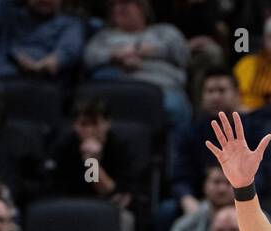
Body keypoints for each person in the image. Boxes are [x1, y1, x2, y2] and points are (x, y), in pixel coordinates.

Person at [83, 0, 193, 142]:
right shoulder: (103, 37)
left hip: (162, 88)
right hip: (118, 87)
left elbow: (182, 54)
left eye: (125, 4)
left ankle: (176, 161)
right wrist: (114, 56)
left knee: (176, 109)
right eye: (114, 6)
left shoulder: (164, 31)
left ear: (142, 8)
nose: (118, 8)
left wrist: (146, 51)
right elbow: (89, 58)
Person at [172, 69, 265, 216]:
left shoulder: (255, 128)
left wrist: (241, 194)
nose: (215, 97)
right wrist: (187, 199)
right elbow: (180, 176)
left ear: (237, 95)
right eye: (209, 91)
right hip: (201, 200)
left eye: (221, 91)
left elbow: (264, 174)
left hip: (248, 196)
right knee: (167, 212)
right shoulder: (189, 130)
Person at [48, 97, 133, 210]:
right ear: (75, 125)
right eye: (83, 124)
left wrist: (91, 161)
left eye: (95, 124)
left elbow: (109, 191)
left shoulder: (119, 147)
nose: (89, 130)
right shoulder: (64, 146)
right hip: (70, 207)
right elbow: (55, 190)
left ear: (107, 123)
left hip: (109, 209)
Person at [0, 0, 84, 84]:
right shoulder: (9, 15)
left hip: (38, 82)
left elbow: (68, 51)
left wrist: (42, 66)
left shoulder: (69, 24)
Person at [165, 165, 234, 231]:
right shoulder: (184, 226)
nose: (222, 189)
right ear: (204, 186)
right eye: (216, 182)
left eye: (229, 183)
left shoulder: (255, 222)